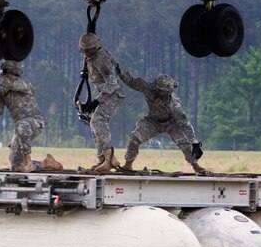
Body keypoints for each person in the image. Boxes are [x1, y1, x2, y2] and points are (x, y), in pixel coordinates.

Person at [117, 69, 206, 174]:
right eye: (159, 90)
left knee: (184, 143)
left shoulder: (175, 105)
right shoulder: (148, 89)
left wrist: (194, 143)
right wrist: (120, 72)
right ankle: (128, 165)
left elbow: (185, 125)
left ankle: (196, 166)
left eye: (163, 93)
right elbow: (132, 82)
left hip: (172, 123)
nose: (160, 93)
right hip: (153, 121)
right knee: (135, 138)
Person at [0, 60, 53, 172]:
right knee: (16, 166)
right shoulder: (4, 91)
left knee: (21, 125)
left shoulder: (23, 84)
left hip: (34, 122)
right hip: (20, 128)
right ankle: (46, 163)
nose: (5, 78)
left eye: (6, 74)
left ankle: (28, 161)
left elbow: (10, 84)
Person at [78, 32, 124, 173]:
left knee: (98, 121)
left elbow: (112, 82)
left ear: (96, 47)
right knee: (94, 121)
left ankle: (108, 159)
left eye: (90, 49)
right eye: (85, 50)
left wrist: (98, 100)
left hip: (113, 93)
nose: (87, 52)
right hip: (106, 93)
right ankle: (104, 159)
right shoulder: (91, 58)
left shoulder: (101, 58)